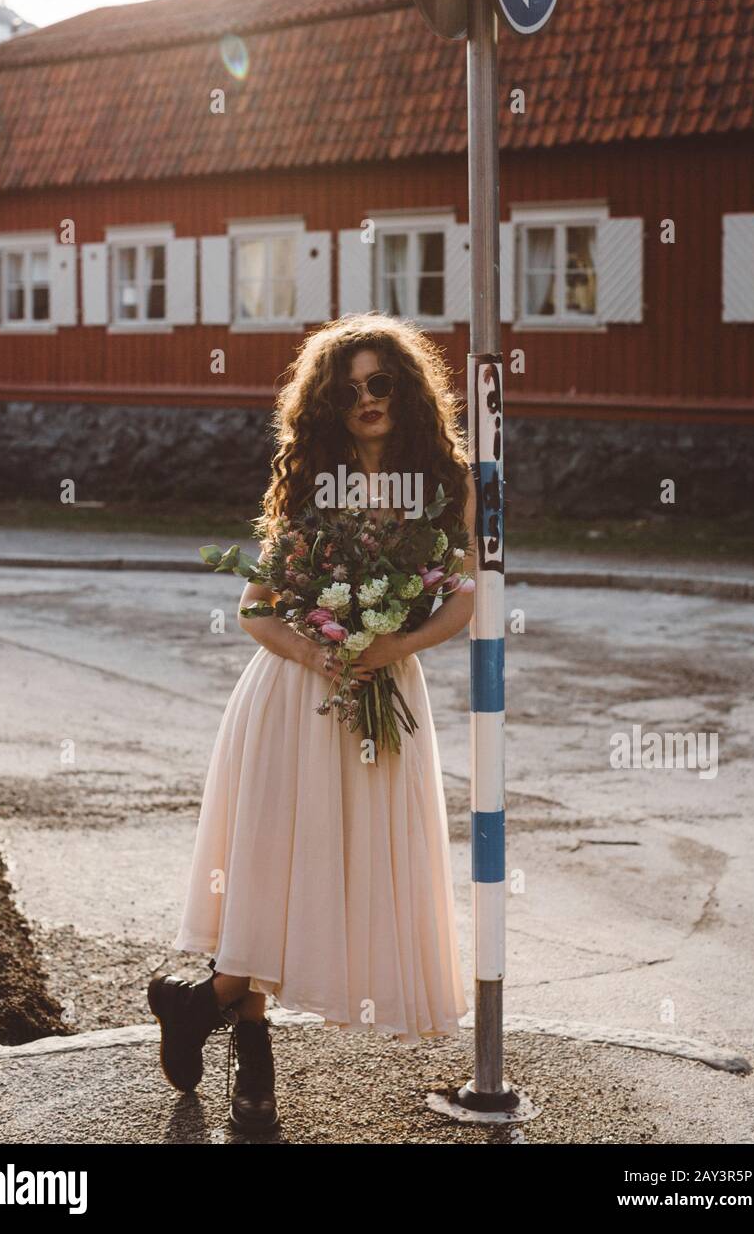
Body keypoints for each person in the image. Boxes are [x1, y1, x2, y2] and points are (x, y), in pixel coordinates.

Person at [148, 314, 476, 1134]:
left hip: (383, 695)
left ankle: (197, 1005)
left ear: (406, 390)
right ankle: (252, 1066)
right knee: (270, 873)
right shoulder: (309, 482)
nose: (367, 399)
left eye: (381, 383)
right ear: (329, 402)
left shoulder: (444, 482)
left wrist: (387, 642)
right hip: (295, 695)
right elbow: (255, 609)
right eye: (350, 388)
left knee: (335, 872)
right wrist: (324, 652)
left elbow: (467, 598)